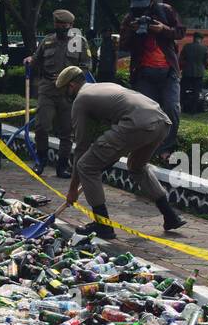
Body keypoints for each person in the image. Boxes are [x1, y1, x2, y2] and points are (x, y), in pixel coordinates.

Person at [57, 65, 186, 239]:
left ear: (71, 86)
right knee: (136, 166)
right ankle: (170, 216)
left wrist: (72, 190)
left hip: (136, 124)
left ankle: (103, 226)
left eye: (64, 90)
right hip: (162, 122)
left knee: (86, 166)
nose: (64, 95)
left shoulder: (80, 99)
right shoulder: (100, 87)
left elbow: (81, 146)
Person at [119, 0, 185, 158]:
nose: (141, 13)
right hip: (143, 72)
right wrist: (133, 32)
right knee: (144, 112)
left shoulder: (166, 11)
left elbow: (180, 32)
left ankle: (165, 148)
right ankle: (144, 148)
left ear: (152, 2)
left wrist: (163, 29)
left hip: (168, 69)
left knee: (172, 108)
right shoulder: (129, 18)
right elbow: (123, 45)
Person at [24, 8, 90, 178]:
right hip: (47, 90)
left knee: (67, 132)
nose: (60, 26)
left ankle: (62, 167)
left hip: (68, 92)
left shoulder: (79, 42)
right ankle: (41, 161)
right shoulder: (47, 41)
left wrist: (69, 78)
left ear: (71, 25)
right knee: (41, 127)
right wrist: (30, 60)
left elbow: (86, 66)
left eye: (64, 24)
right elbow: (36, 59)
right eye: (58, 24)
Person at [179, 31, 208, 114]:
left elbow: (181, 59)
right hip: (199, 73)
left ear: (193, 38)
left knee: (182, 90)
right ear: (201, 39)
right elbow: (207, 62)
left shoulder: (187, 47)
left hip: (187, 72)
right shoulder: (204, 48)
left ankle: (181, 107)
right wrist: (205, 66)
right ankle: (193, 110)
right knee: (196, 92)